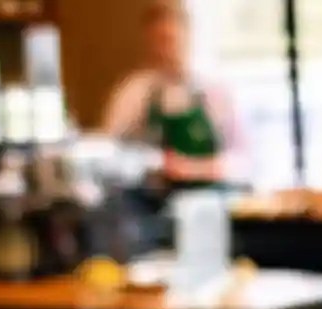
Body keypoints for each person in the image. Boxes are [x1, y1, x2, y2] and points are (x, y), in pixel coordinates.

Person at [102, 0, 241, 190]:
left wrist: (196, 169)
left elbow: (243, 160)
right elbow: (109, 151)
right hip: (154, 197)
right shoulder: (135, 92)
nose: (168, 48)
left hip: (211, 194)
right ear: (149, 40)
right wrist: (153, 165)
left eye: (173, 38)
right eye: (161, 40)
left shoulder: (214, 91)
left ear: (188, 34)